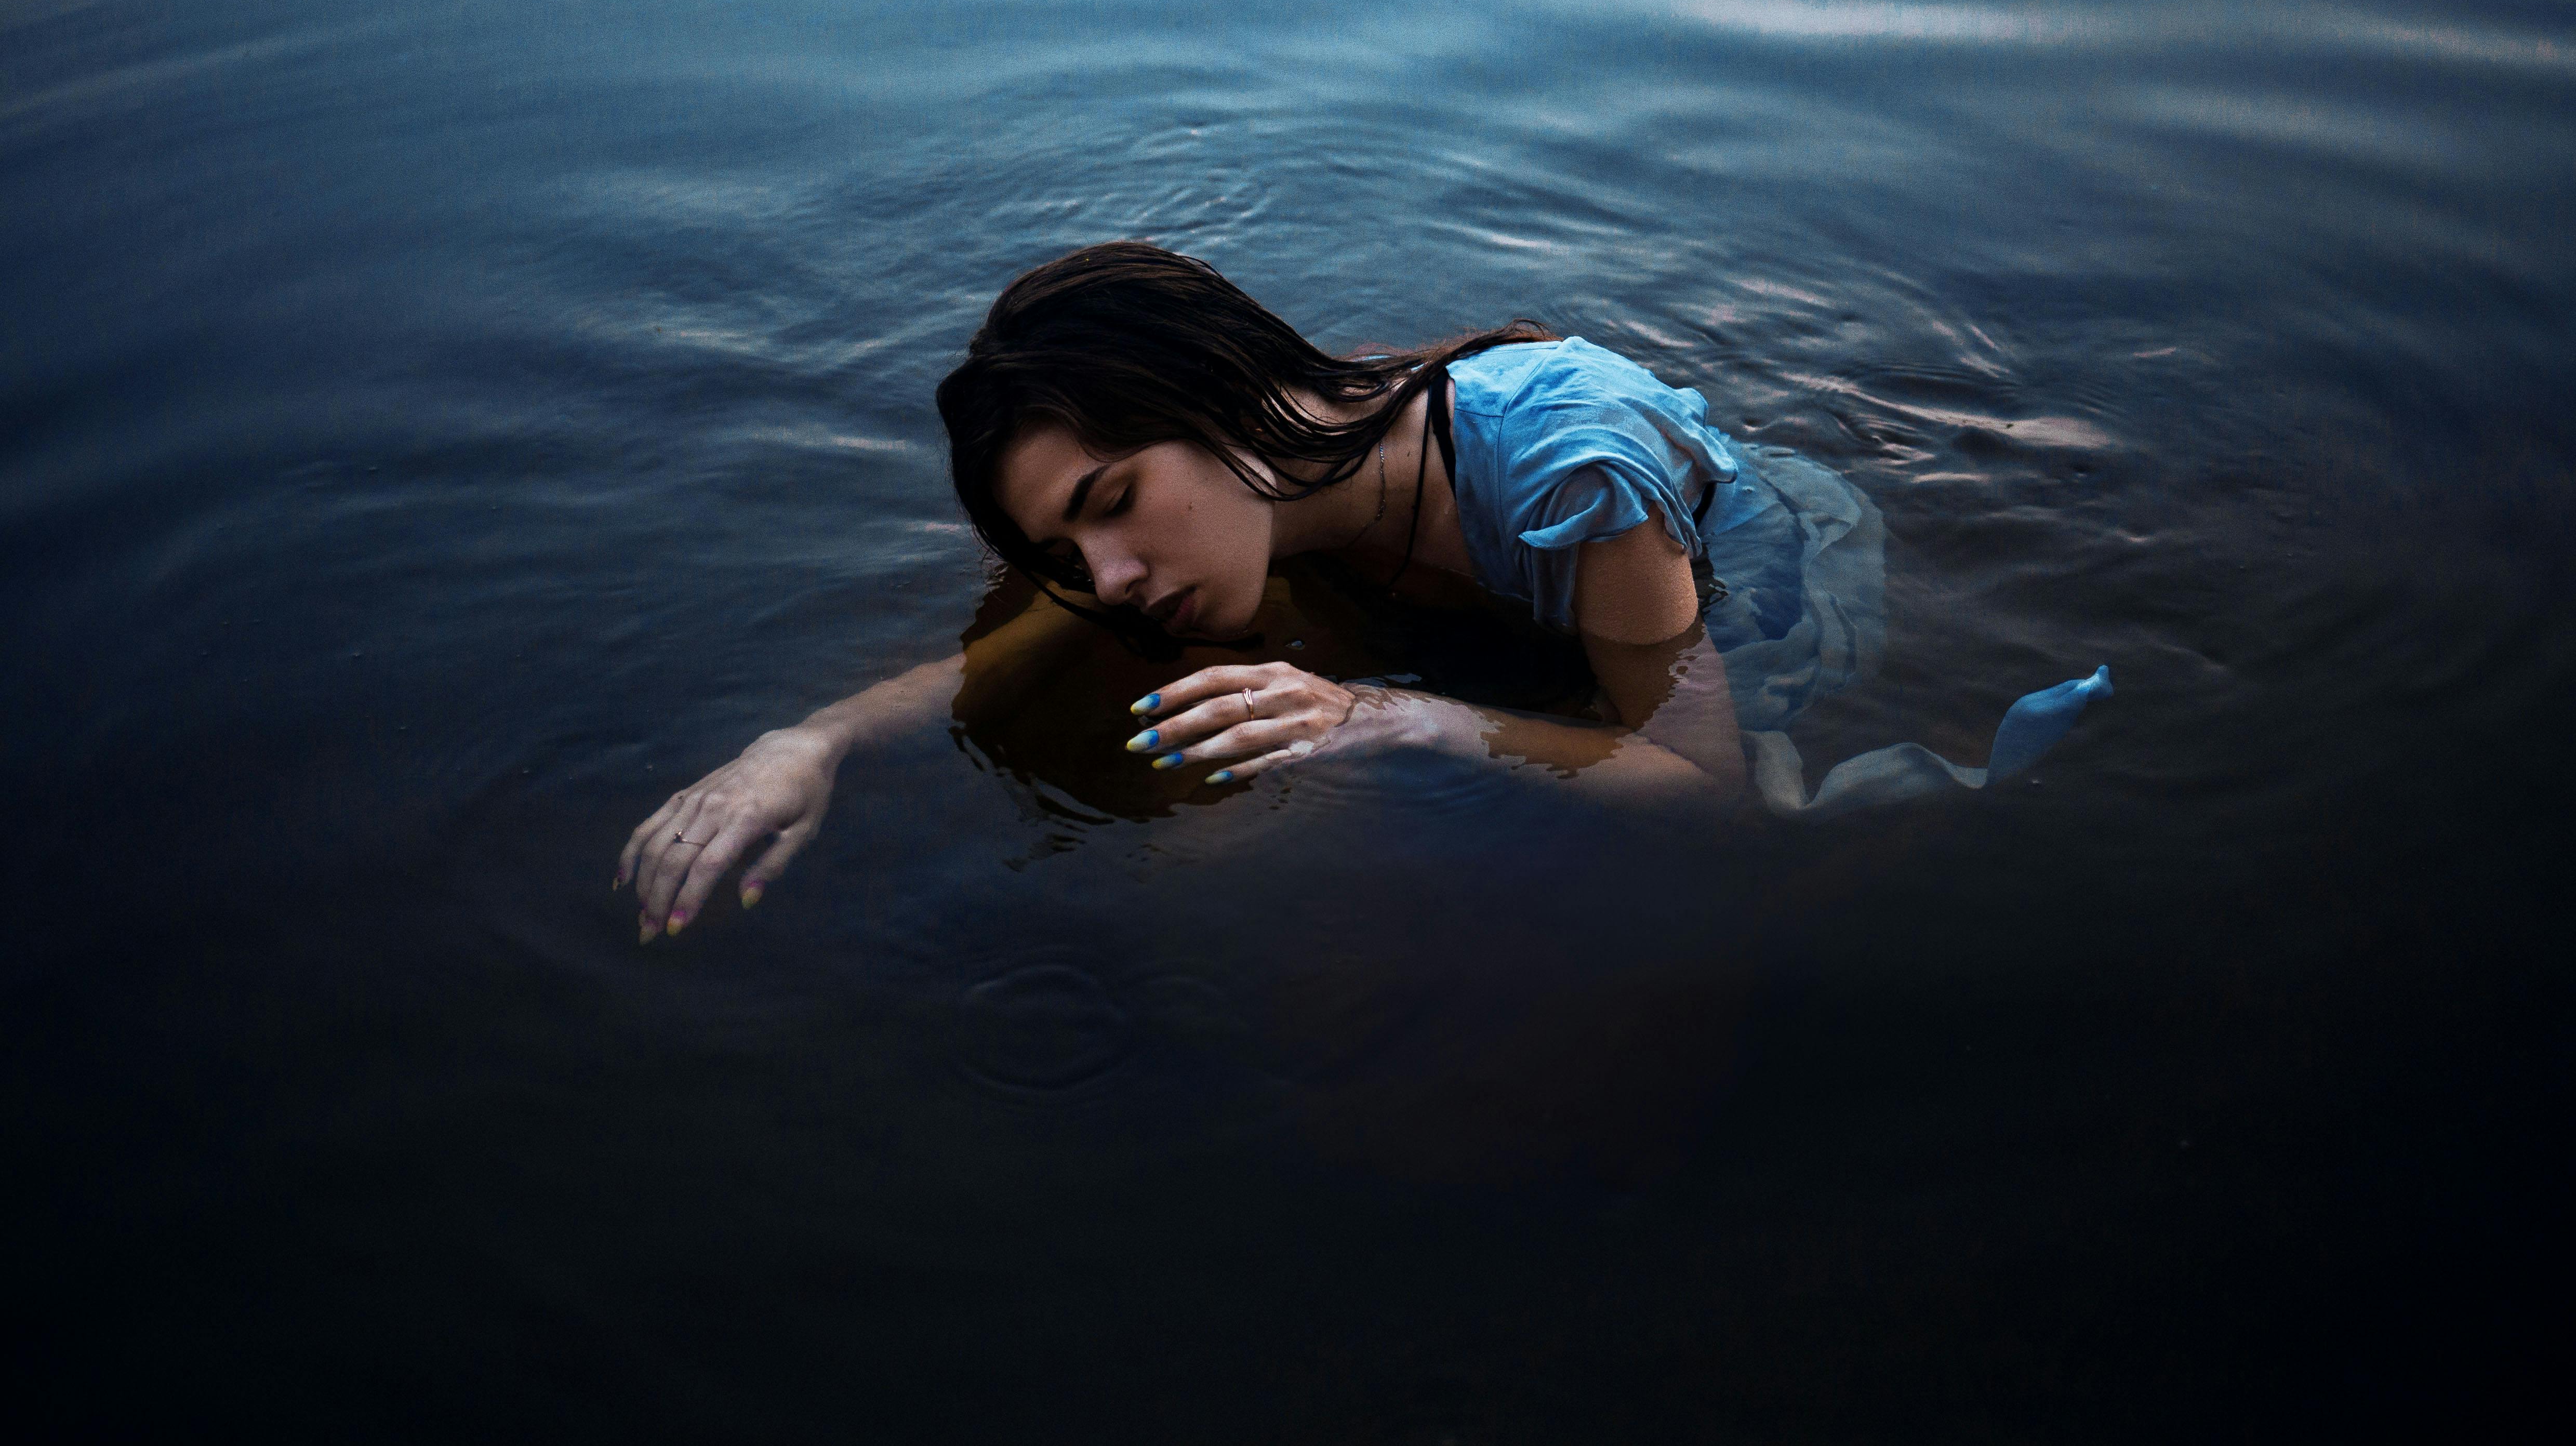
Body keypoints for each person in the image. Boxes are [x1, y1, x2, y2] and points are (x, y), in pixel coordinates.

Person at [617, 242, 2107, 939]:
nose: (1114, 575)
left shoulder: (1563, 470)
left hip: (1758, 572)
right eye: (1076, 551)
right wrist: (805, 739)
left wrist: (1394, 720)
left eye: (1113, 504)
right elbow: (1043, 623)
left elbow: (1698, 786)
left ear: (1218, 399)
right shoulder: (1272, 481)